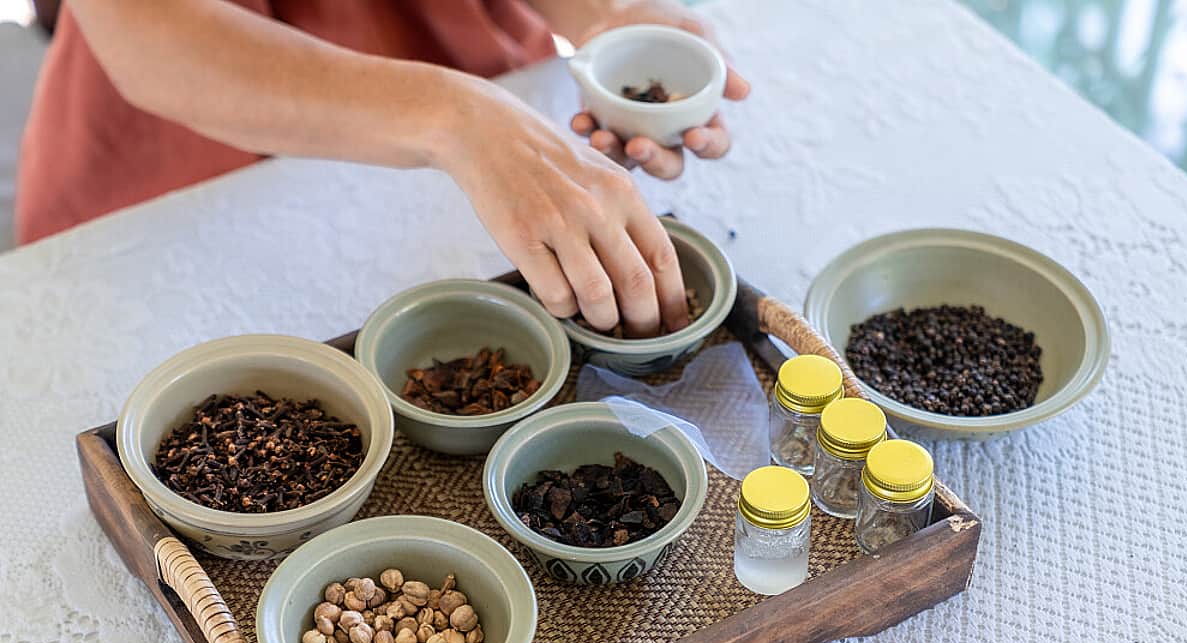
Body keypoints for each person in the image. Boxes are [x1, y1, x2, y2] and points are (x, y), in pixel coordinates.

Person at [17, 0, 749, 338]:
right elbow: (150, 32)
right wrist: (460, 119)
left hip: (452, 45)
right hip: (198, 121)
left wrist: (598, 15)